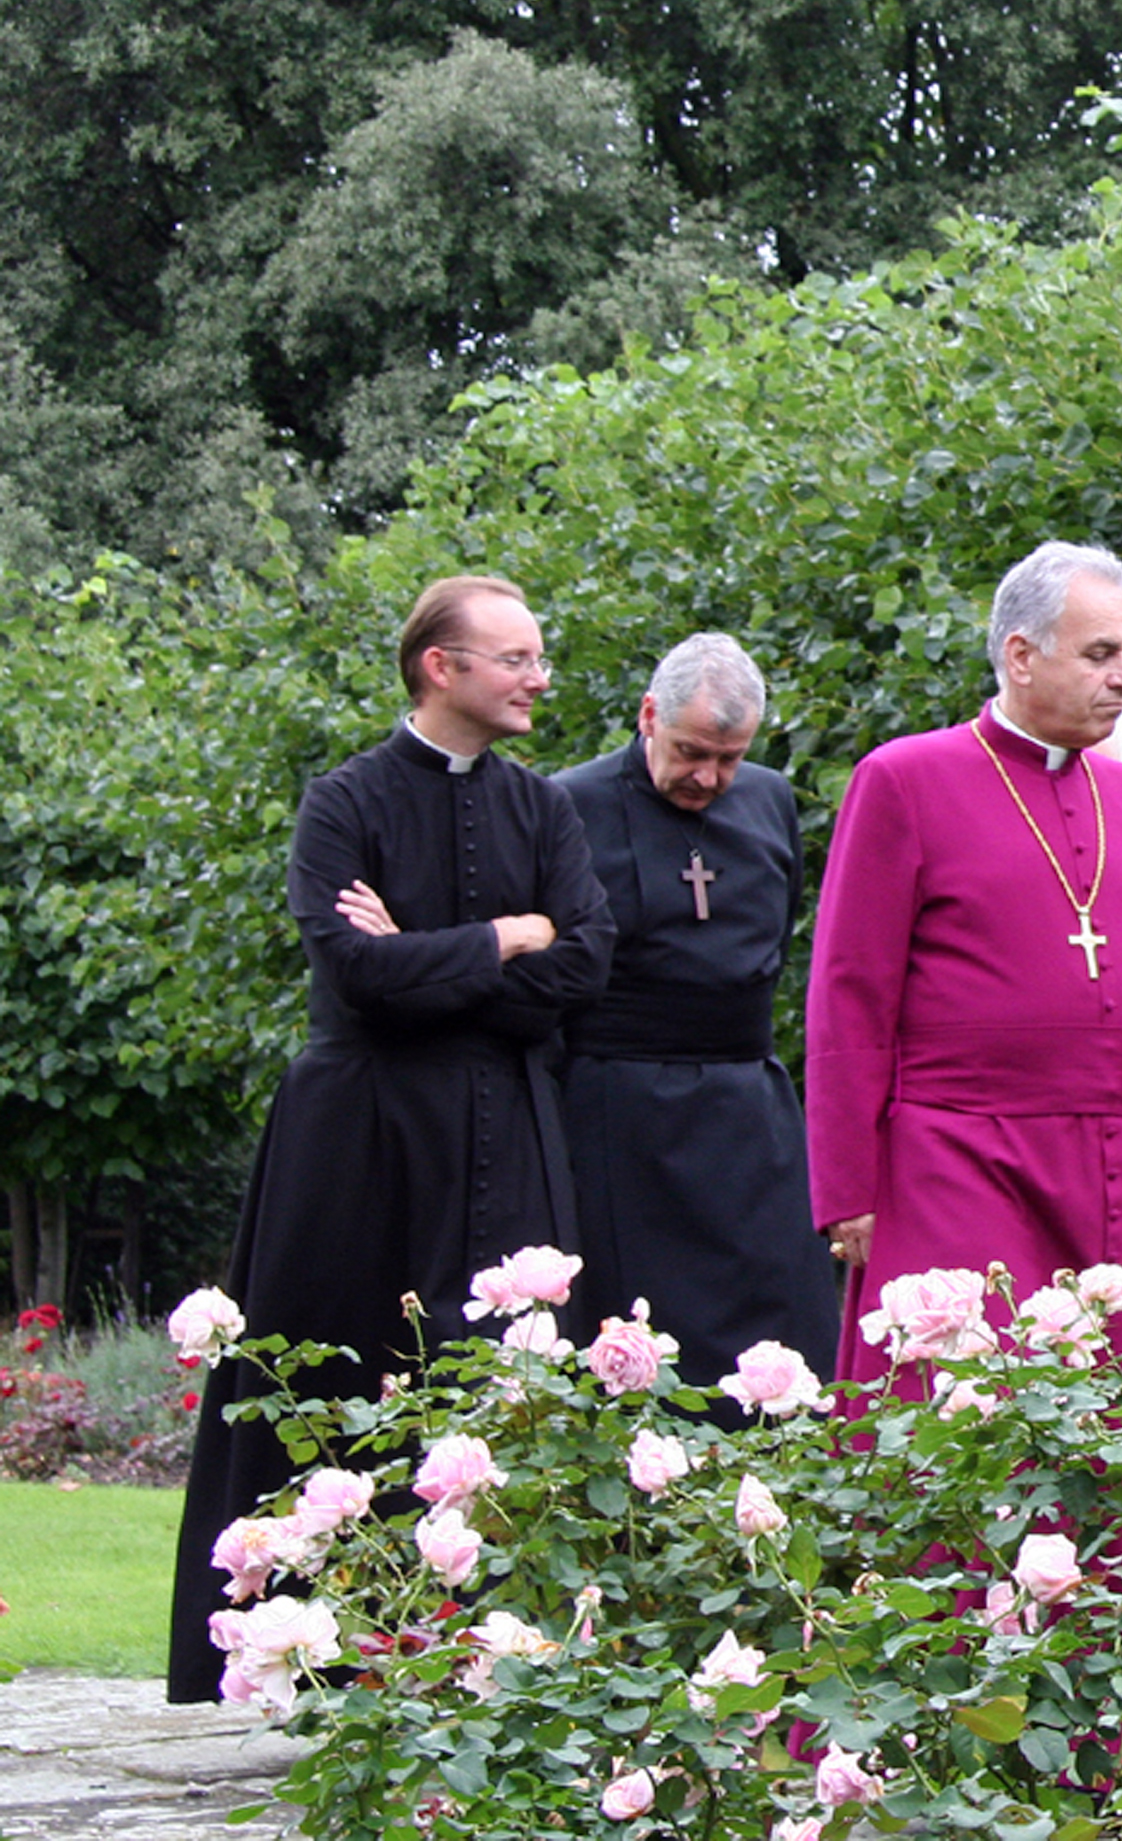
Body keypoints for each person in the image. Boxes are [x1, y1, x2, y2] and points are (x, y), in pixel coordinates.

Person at [169, 575, 614, 1702]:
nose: (537, 678)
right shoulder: (344, 801)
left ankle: (496, 1661)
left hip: (503, 1126)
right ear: (441, 666)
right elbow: (357, 979)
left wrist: (436, 954)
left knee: (499, 1390)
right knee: (334, 1369)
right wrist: (505, 938)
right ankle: (301, 1662)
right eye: (515, 658)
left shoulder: (543, 809)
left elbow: (582, 969)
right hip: (356, 1140)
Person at [807, 543, 1122, 1392]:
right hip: (953, 1162)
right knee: (963, 1414)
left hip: (1112, 1167)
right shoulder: (902, 781)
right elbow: (850, 995)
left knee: (1106, 1432)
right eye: (1101, 654)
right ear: (1021, 655)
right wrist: (847, 1184)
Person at [554, 634, 835, 1409]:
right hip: (619, 1112)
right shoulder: (565, 804)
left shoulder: (772, 799)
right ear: (649, 716)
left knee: (784, 1326)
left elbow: (779, 930)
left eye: (729, 758)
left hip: (748, 1111)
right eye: (690, 752)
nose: (707, 777)